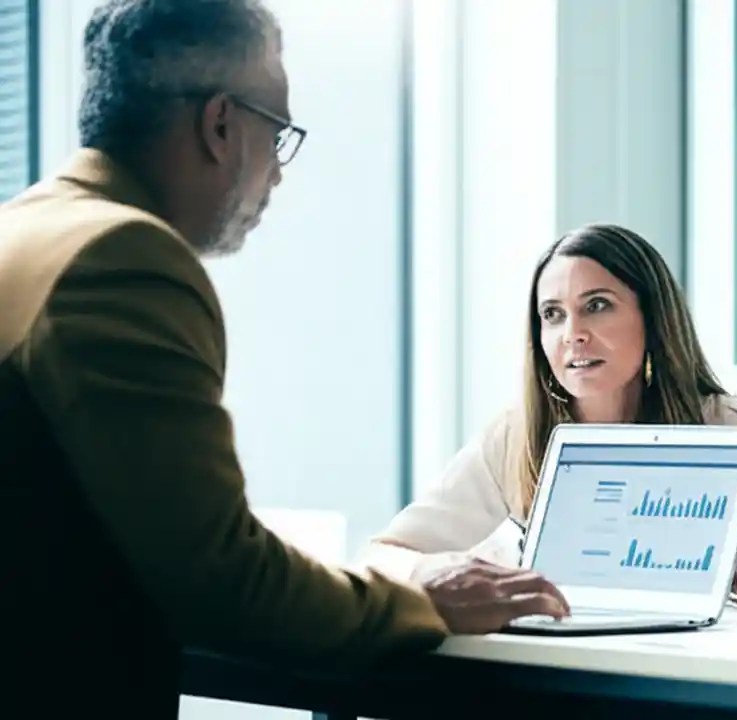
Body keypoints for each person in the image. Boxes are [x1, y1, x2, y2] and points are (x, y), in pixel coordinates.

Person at [0, 1, 566, 715]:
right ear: (221, 125)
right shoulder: (121, 259)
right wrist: (416, 603)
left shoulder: (23, 230)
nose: (278, 171)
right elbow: (220, 579)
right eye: (279, 134)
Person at [359, 224, 737, 585]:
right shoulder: (513, 439)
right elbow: (382, 554)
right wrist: (446, 571)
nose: (573, 333)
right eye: (552, 314)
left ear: (653, 317)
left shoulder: (725, 426)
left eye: (597, 306)